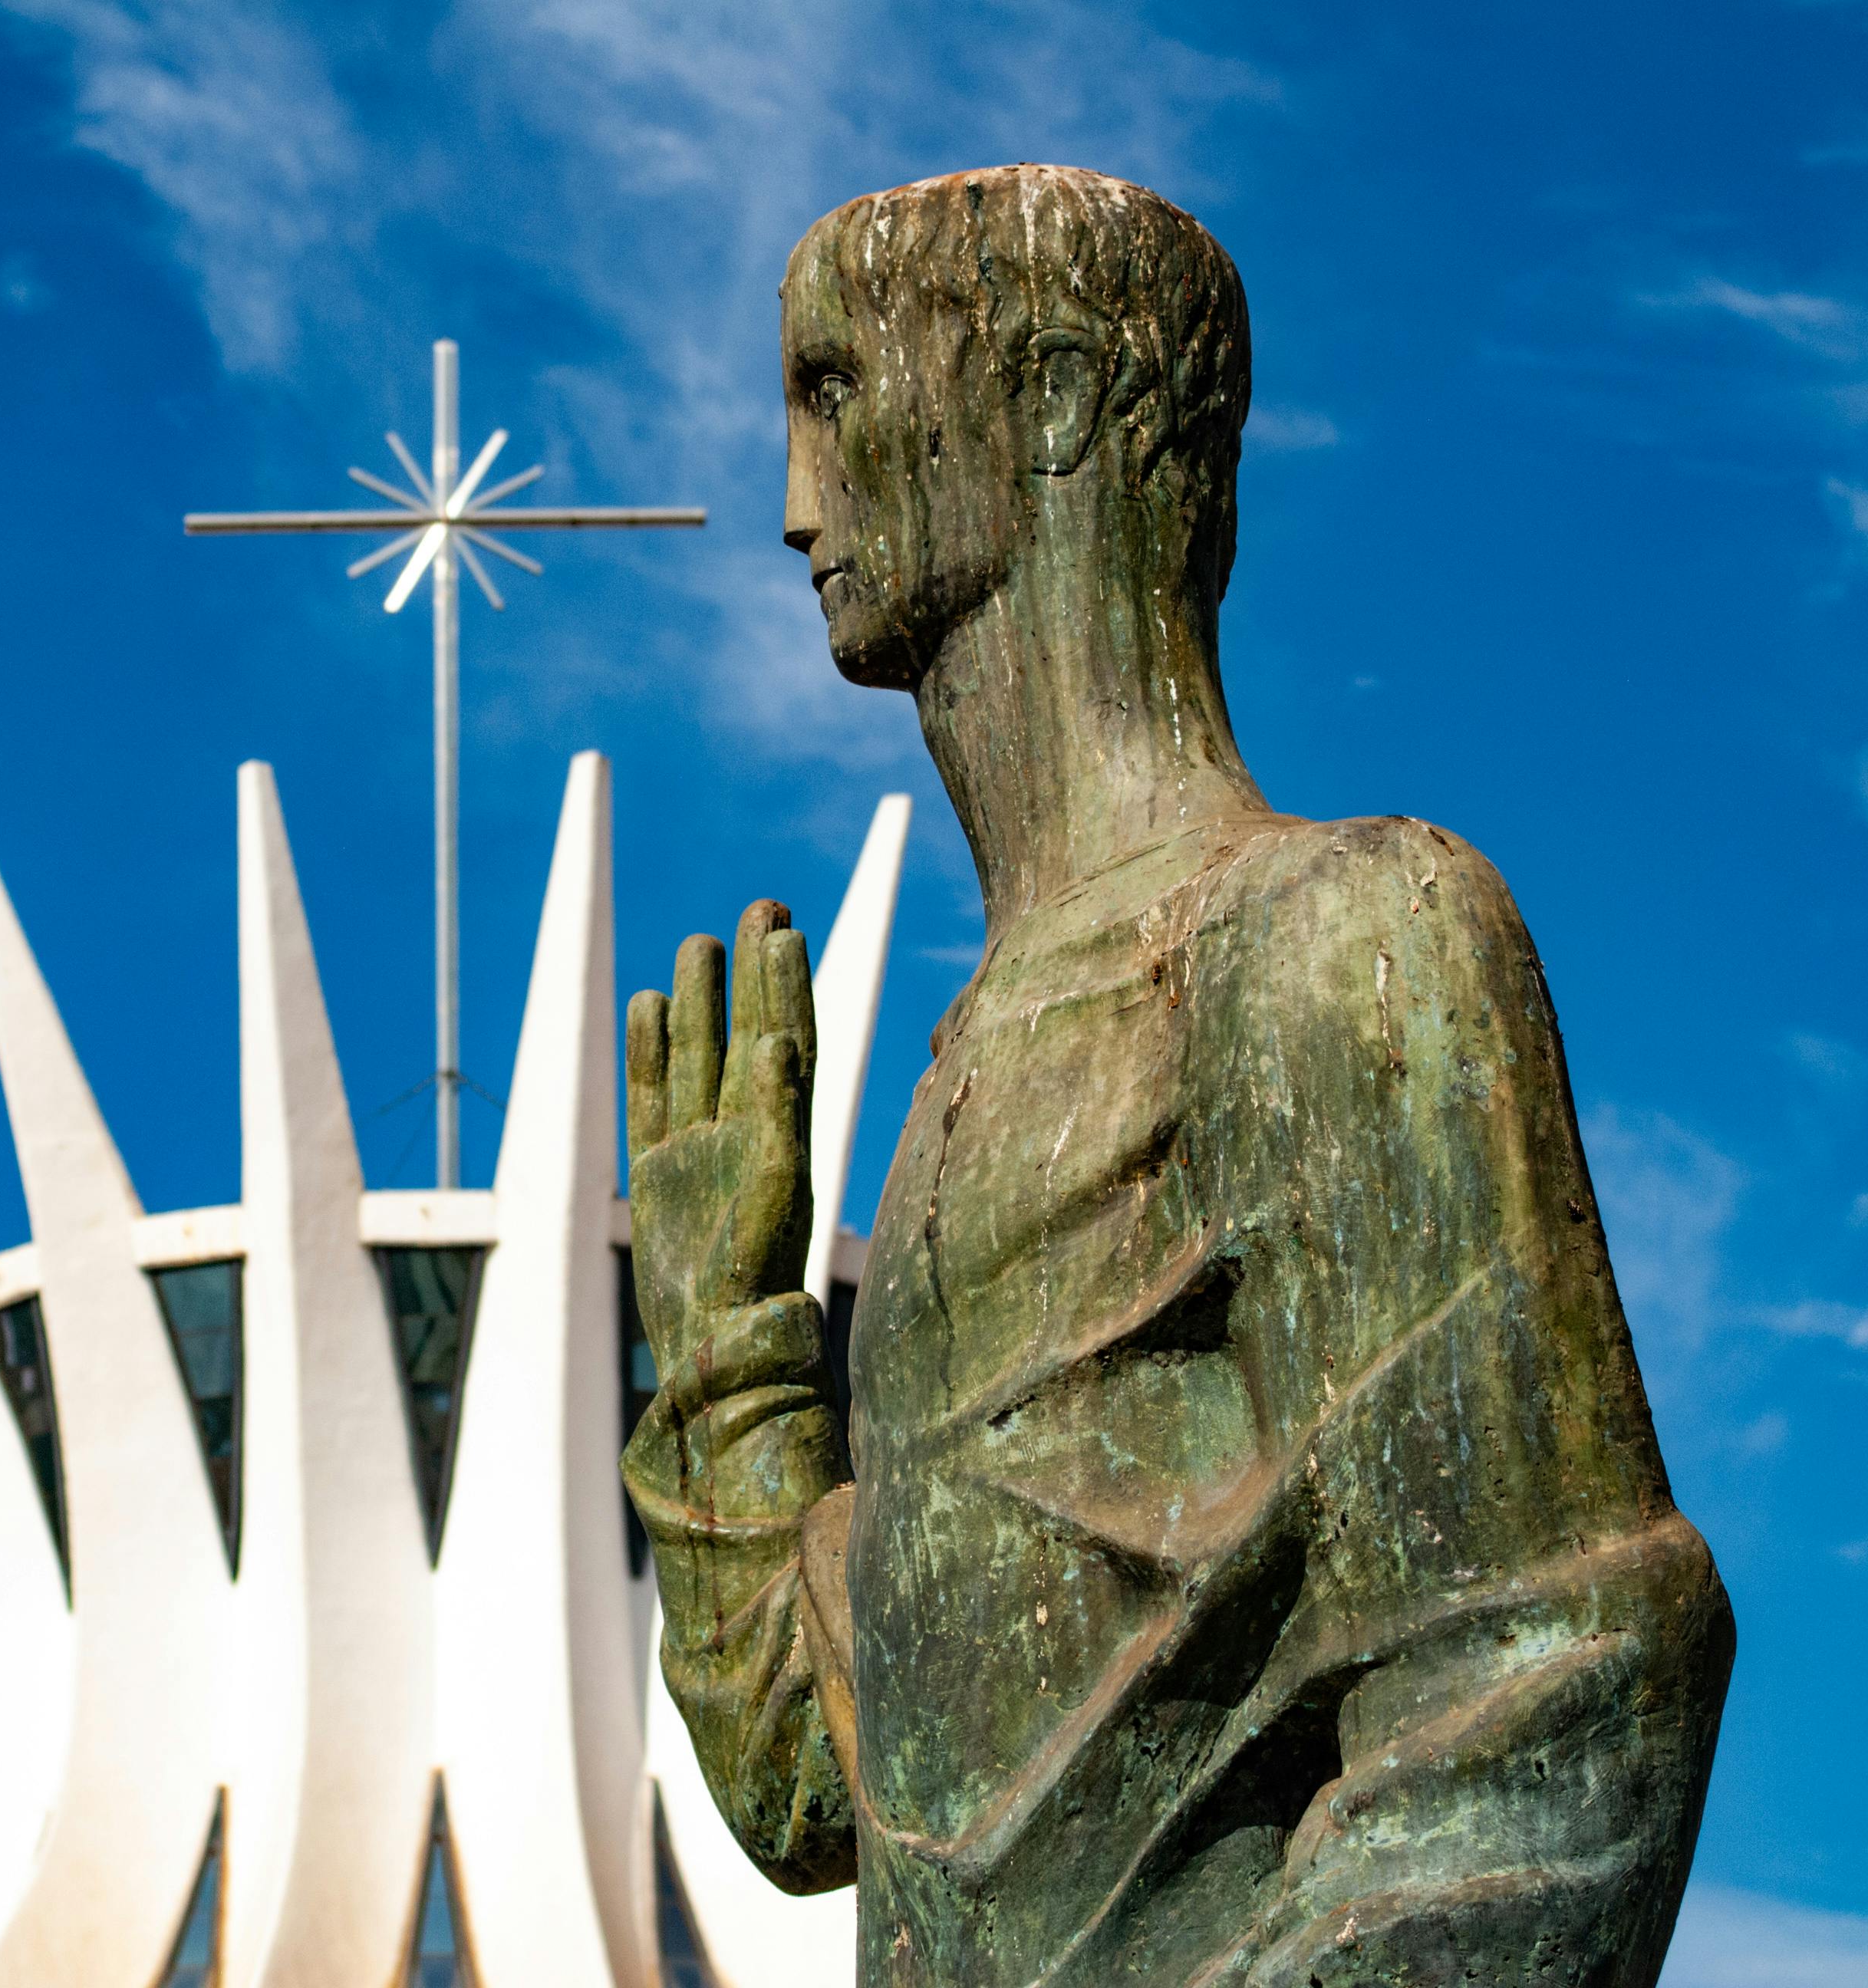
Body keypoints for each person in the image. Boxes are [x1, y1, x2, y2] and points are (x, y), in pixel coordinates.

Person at [621, 165, 1731, 1988]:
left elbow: (1556, 1698)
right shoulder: (973, 1068)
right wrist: (726, 1342)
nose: (792, 503)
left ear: (1053, 401)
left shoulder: (1336, 941)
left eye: (834, 392)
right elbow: (818, 1790)